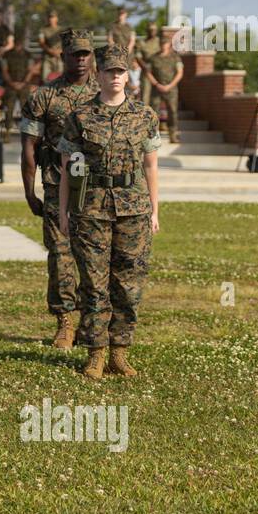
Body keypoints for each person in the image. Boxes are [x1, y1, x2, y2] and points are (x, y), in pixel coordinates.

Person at [57, 43, 161, 381]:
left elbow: (151, 165)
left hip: (133, 209)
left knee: (129, 283)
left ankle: (120, 352)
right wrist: (64, 211)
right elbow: (68, 169)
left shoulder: (145, 116)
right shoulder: (80, 117)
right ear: (98, 75)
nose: (115, 77)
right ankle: (96, 354)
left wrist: (155, 210)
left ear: (127, 74)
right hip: (92, 209)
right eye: (108, 71)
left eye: (120, 71)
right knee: (94, 282)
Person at [20, 29, 98, 348]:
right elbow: (29, 146)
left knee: (95, 255)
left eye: (85, 54)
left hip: (97, 189)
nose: (80, 59)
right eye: (74, 54)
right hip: (57, 185)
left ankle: (93, 320)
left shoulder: (106, 94)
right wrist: (28, 191)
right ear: (61, 56)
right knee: (61, 255)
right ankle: (65, 321)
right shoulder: (43, 96)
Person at [144, 32, 184, 143]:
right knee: (154, 111)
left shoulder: (175, 58)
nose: (163, 45)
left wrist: (170, 85)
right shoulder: (153, 58)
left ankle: (173, 134)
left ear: (169, 45)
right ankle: (153, 135)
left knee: (173, 111)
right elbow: (148, 73)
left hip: (171, 89)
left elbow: (180, 73)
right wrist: (156, 84)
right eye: (161, 43)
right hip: (157, 89)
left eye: (165, 43)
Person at [134, 22, 160, 106]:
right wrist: (144, 66)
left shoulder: (159, 42)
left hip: (158, 72)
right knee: (145, 97)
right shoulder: (141, 43)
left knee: (156, 98)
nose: (152, 31)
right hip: (146, 72)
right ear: (147, 31)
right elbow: (137, 56)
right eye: (150, 30)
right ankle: (145, 117)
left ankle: (156, 117)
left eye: (154, 30)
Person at [38, 11, 64, 81]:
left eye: (53, 17)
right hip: (47, 57)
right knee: (45, 78)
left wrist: (60, 51)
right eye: (50, 17)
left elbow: (66, 42)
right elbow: (41, 42)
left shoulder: (61, 30)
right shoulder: (43, 30)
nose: (51, 19)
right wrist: (50, 51)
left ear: (57, 19)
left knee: (61, 77)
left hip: (59, 57)